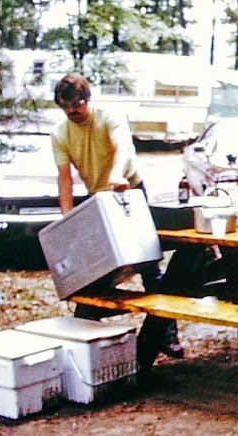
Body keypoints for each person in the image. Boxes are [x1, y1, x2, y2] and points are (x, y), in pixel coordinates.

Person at [50, 73, 183, 368]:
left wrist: (117, 174)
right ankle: (85, 329)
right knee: (95, 267)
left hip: (128, 190)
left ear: (87, 99)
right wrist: (66, 218)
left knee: (148, 263)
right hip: (97, 198)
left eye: (77, 104)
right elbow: (64, 178)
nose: (73, 110)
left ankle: (167, 333)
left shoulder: (108, 116)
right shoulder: (60, 134)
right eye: (66, 106)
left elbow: (122, 147)